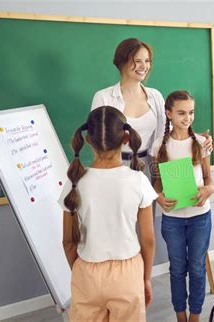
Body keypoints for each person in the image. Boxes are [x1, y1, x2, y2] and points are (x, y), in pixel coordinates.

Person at [59, 106, 158, 322]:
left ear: (87, 140)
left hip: (87, 271)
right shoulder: (138, 180)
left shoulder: (75, 183)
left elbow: (68, 241)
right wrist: (146, 278)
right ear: (125, 138)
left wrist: (80, 271)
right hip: (128, 274)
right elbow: (148, 239)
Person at [91, 38, 211, 173]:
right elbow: (97, 142)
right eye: (137, 61)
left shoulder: (155, 96)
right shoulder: (103, 97)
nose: (144, 66)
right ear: (122, 62)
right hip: (114, 167)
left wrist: (197, 138)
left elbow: (169, 131)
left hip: (150, 165)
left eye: (147, 61)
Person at [151, 90, 214, 322]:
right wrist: (158, 196)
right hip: (173, 220)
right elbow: (157, 182)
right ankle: (180, 316)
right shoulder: (160, 145)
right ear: (169, 114)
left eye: (191, 112)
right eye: (181, 113)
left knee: (197, 268)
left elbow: (209, 179)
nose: (187, 118)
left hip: (200, 217)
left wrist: (209, 190)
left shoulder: (200, 142)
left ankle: (195, 316)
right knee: (177, 269)